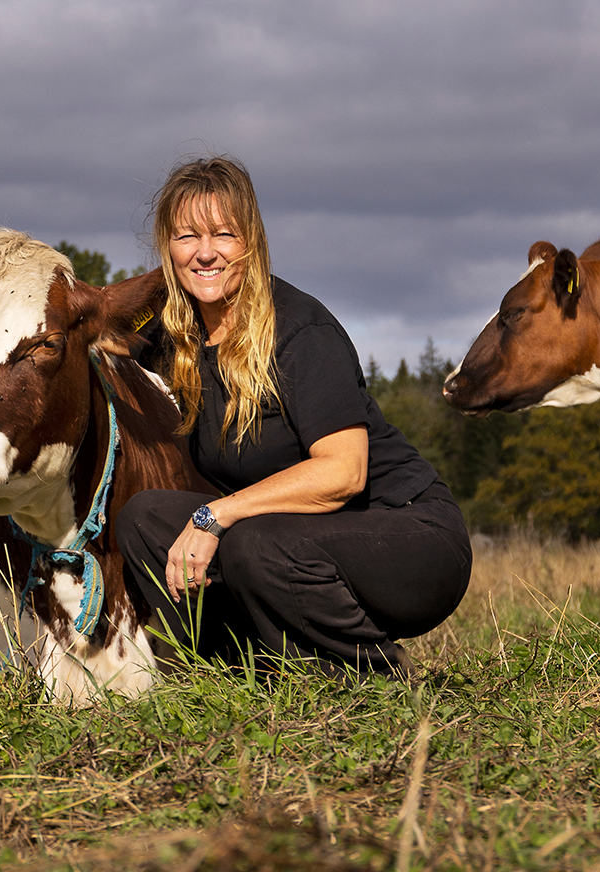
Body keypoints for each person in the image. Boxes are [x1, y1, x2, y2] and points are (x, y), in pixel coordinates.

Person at [117, 155, 471, 679]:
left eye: (223, 234)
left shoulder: (302, 331)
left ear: (251, 240)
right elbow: (94, 356)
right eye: (187, 236)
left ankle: (379, 679)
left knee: (254, 544)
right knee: (146, 519)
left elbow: (343, 473)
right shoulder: (172, 336)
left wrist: (215, 515)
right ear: (167, 248)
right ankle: (236, 673)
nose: (206, 252)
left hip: (407, 536)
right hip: (289, 540)